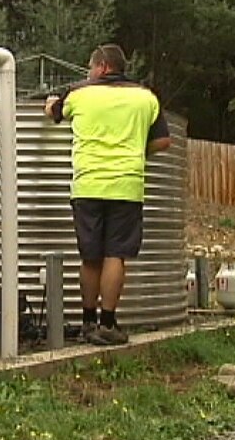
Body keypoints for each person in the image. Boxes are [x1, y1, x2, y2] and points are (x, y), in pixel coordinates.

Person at [43, 44, 171, 345]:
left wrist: (50, 104)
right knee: (116, 254)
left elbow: (54, 113)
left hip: (88, 185)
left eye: (90, 67)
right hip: (127, 186)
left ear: (102, 66)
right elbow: (164, 141)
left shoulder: (80, 93)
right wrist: (136, 151)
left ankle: (87, 323)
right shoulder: (145, 98)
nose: (88, 73)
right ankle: (108, 324)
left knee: (90, 256)